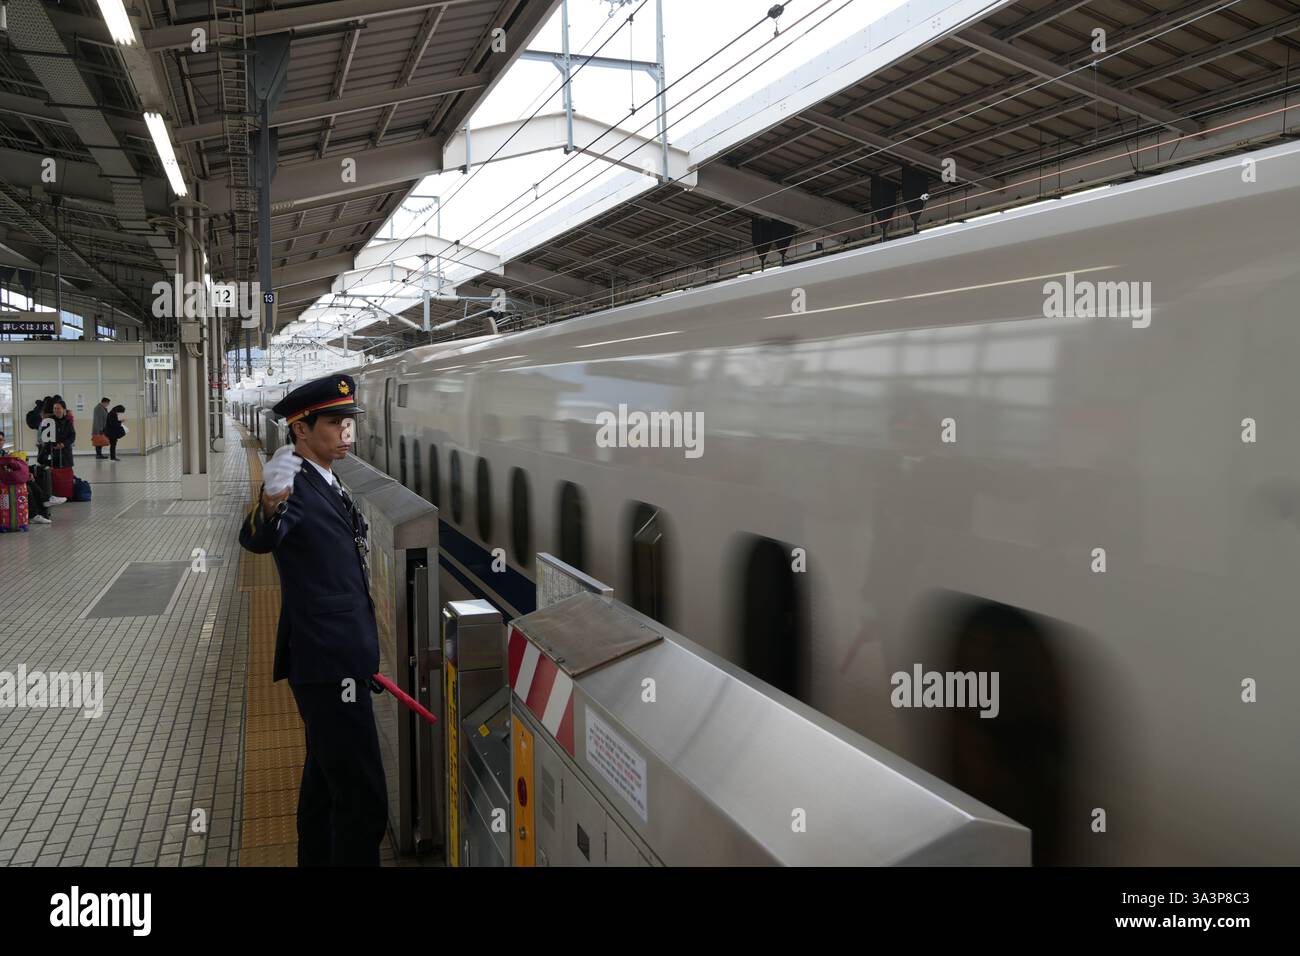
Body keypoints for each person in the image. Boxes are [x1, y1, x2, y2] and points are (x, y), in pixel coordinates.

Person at [237, 374, 386, 867]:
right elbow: (258, 539)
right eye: (336, 424)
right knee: (364, 800)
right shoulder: (295, 483)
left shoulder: (327, 477)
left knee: (324, 783)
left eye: (350, 424)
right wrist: (270, 500)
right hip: (329, 663)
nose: (348, 434)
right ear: (301, 429)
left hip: (338, 655)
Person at [49, 400, 75, 468]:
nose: (56, 410)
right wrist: (54, 445)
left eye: (58, 408)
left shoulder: (68, 422)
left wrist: (64, 444)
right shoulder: (49, 421)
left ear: (63, 409)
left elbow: (72, 436)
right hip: (53, 451)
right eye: (54, 408)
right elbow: (46, 436)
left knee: (66, 472)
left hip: (66, 452)